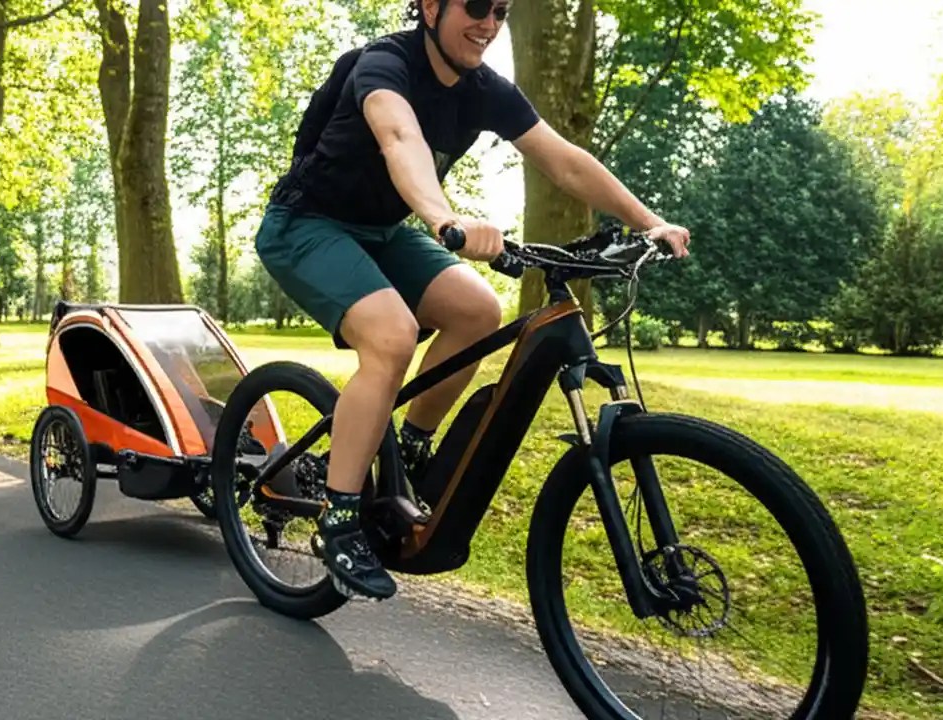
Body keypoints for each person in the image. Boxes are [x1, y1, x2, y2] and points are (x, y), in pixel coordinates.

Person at [252, 0, 691, 601]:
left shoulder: (486, 90)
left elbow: (564, 160)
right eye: (476, 6)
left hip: (383, 233)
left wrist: (649, 222)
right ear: (430, 7)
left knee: (479, 312)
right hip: (306, 225)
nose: (489, 22)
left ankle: (407, 448)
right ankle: (340, 518)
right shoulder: (385, 65)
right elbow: (398, 134)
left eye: (502, 10)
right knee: (392, 336)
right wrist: (443, 216)